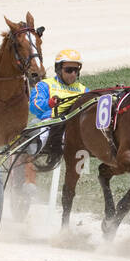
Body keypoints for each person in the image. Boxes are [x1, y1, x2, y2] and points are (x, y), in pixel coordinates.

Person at [25, 49, 88, 179]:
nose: (73, 74)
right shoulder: (44, 85)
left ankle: (82, 177)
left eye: (76, 70)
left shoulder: (84, 90)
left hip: (72, 128)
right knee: (37, 137)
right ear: (59, 69)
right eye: (69, 70)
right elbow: (33, 107)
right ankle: (28, 180)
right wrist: (49, 103)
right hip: (48, 124)